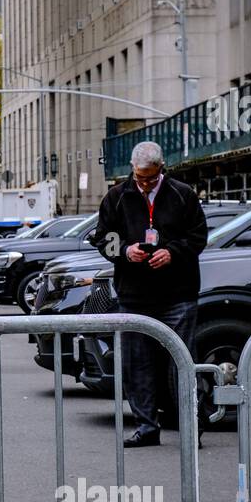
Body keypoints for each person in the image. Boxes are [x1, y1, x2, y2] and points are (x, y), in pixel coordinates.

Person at [92, 141, 207, 448]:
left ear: (161, 169)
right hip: (135, 293)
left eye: (151, 178)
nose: (144, 184)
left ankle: (191, 426)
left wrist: (172, 252)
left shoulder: (183, 194)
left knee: (182, 361)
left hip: (178, 293)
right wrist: (126, 251)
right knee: (137, 363)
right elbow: (102, 238)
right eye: (140, 178)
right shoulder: (117, 197)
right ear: (133, 169)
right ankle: (146, 426)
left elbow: (198, 237)